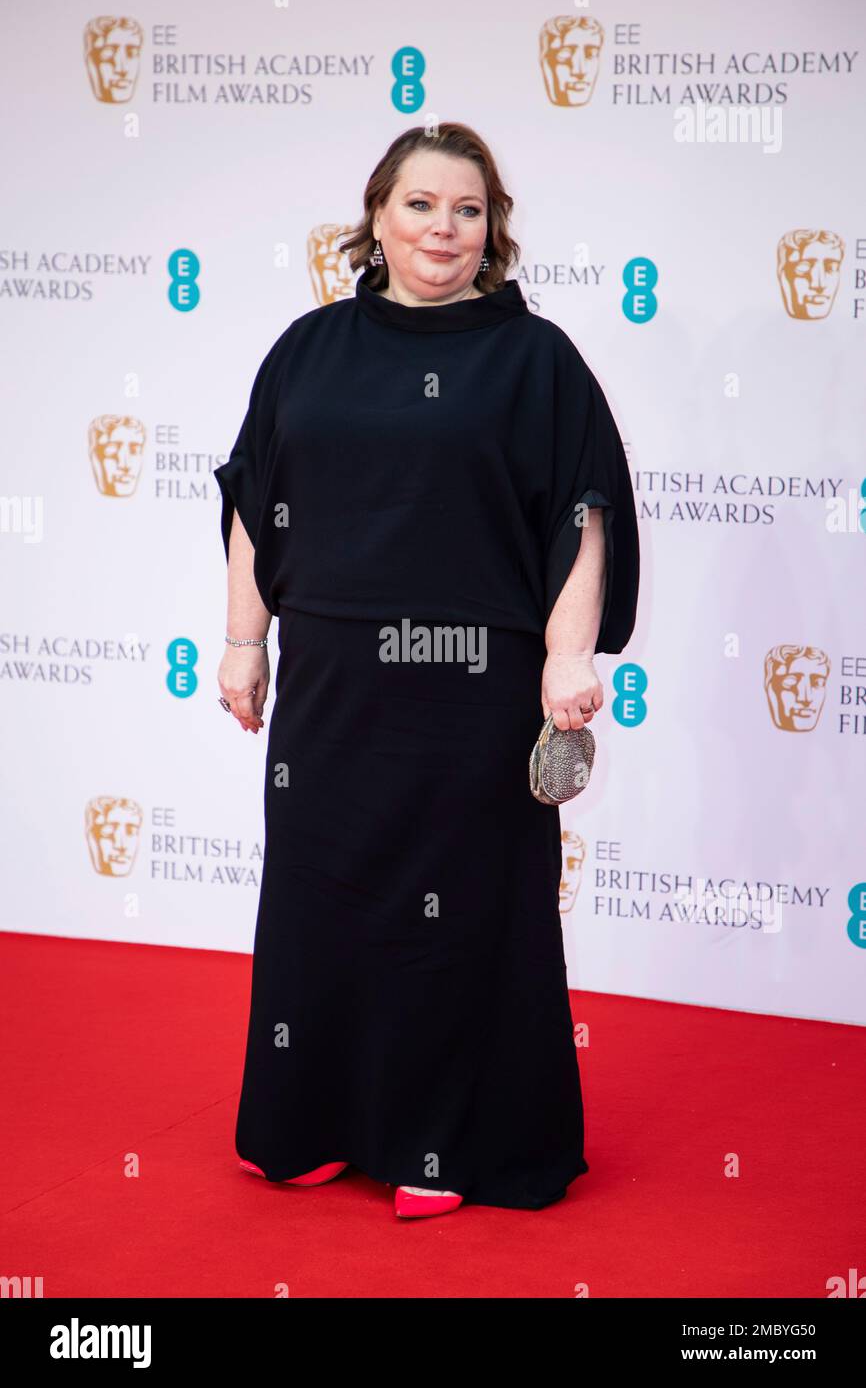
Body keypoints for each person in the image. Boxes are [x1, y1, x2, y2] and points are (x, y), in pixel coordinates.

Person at [215, 122, 639, 1219]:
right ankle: (309, 1120)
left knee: (456, 920)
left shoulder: (533, 358)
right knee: (321, 899)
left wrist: (564, 655)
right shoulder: (308, 348)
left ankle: (440, 1145)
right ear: (375, 217)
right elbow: (254, 503)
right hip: (333, 686)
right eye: (419, 205)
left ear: (490, 227)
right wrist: (244, 639)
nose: (441, 228)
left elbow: (581, 515)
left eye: (465, 209)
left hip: (472, 691)